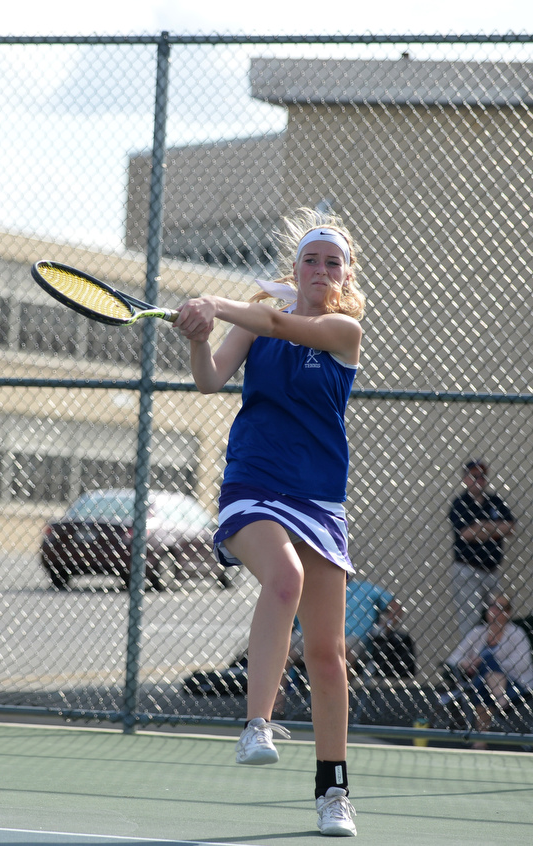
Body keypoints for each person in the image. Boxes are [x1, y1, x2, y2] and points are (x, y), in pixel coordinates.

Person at [174, 208, 365, 836]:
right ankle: (258, 722)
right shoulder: (257, 321)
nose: (320, 268)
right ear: (296, 266)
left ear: (345, 276)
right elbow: (209, 381)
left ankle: (333, 791)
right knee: (283, 578)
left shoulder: (342, 331)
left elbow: (279, 319)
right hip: (253, 483)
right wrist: (200, 334)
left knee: (328, 656)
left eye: (332, 261)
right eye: (311, 259)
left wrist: (217, 302)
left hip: (319, 500)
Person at [278, 578, 408, 713]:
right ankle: (277, 709)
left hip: (351, 638)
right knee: (282, 647)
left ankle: (333, 709)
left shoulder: (365, 588)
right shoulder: (313, 587)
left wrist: (384, 627)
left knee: (342, 650)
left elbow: (395, 607)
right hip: (309, 635)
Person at [445, 594, 533, 749]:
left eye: (501, 607)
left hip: (515, 683)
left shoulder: (516, 633)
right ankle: (499, 698)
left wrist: (490, 661)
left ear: (508, 612)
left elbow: (523, 663)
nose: (495, 610)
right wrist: (468, 662)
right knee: (484, 672)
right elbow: (454, 658)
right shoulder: (478, 632)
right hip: (486, 683)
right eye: (492, 605)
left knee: (487, 660)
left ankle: (481, 738)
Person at [449, 459, 515, 638]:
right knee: (470, 622)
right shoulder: (460, 503)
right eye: (475, 476)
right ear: (466, 479)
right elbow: (466, 534)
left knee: (498, 615)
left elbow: (509, 527)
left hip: (492, 570)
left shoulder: (494, 501)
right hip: (468, 570)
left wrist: (483, 526)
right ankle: (470, 660)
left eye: (483, 476)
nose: (479, 480)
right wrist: (494, 529)